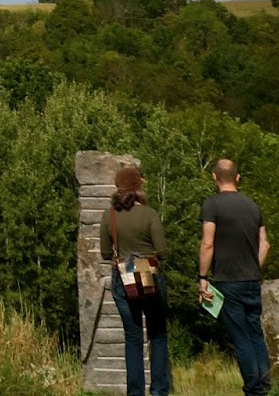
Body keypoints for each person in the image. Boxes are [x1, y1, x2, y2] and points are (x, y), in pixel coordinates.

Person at [199, 158, 271, 396]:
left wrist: (203, 277)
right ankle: (265, 383)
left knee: (241, 338)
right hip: (252, 279)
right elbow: (265, 244)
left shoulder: (212, 205)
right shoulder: (253, 206)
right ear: (238, 178)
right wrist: (254, 267)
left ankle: (254, 390)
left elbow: (208, 243)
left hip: (227, 281)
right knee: (255, 334)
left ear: (214, 177)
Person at [100, 163, 171, 396]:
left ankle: (135, 393)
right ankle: (159, 391)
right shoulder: (149, 214)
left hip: (123, 279)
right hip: (149, 276)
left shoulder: (108, 215)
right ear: (139, 187)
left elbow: (105, 253)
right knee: (157, 334)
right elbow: (162, 252)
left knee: (132, 337)